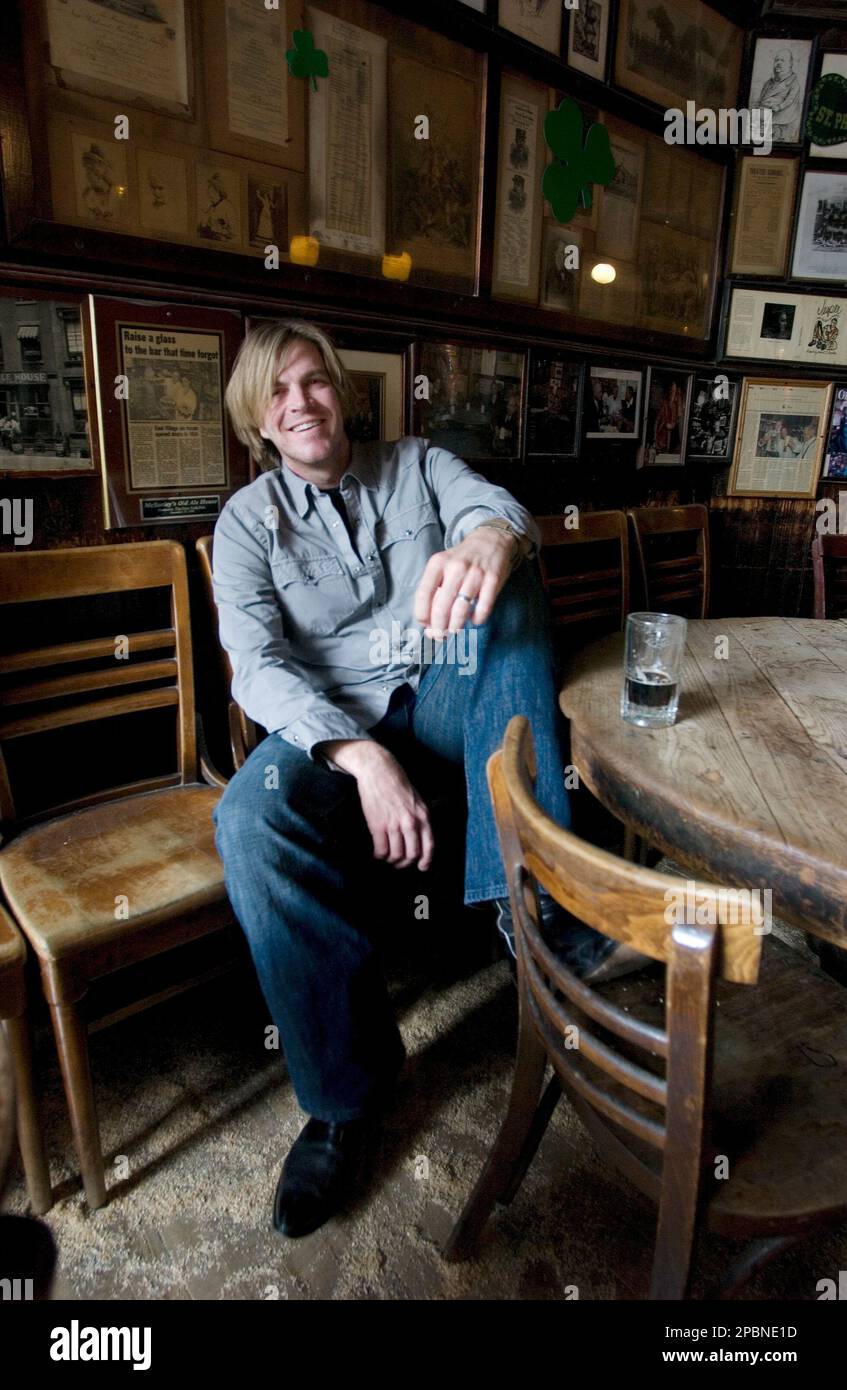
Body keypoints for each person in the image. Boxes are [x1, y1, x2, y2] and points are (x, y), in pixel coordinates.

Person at [211, 319, 646, 1240]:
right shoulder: (246, 524)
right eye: (277, 392)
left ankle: (535, 925)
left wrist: (492, 539)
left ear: (341, 389)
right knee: (249, 822)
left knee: (514, 581)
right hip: (332, 727)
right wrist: (357, 754)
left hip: (448, 699)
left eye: (314, 382)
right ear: (257, 417)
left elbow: (492, 509)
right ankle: (344, 1101)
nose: (301, 404)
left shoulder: (417, 463)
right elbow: (254, 668)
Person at [755, 48, 803, 143]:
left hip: (780, 125)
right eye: (777, 60)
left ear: (790, 64)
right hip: (761, 121)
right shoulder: (768, 83)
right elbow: (760, 101)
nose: (778, 63)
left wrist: (779, 107)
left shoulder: (794, 83)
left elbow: (790, 100)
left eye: (782, 60)